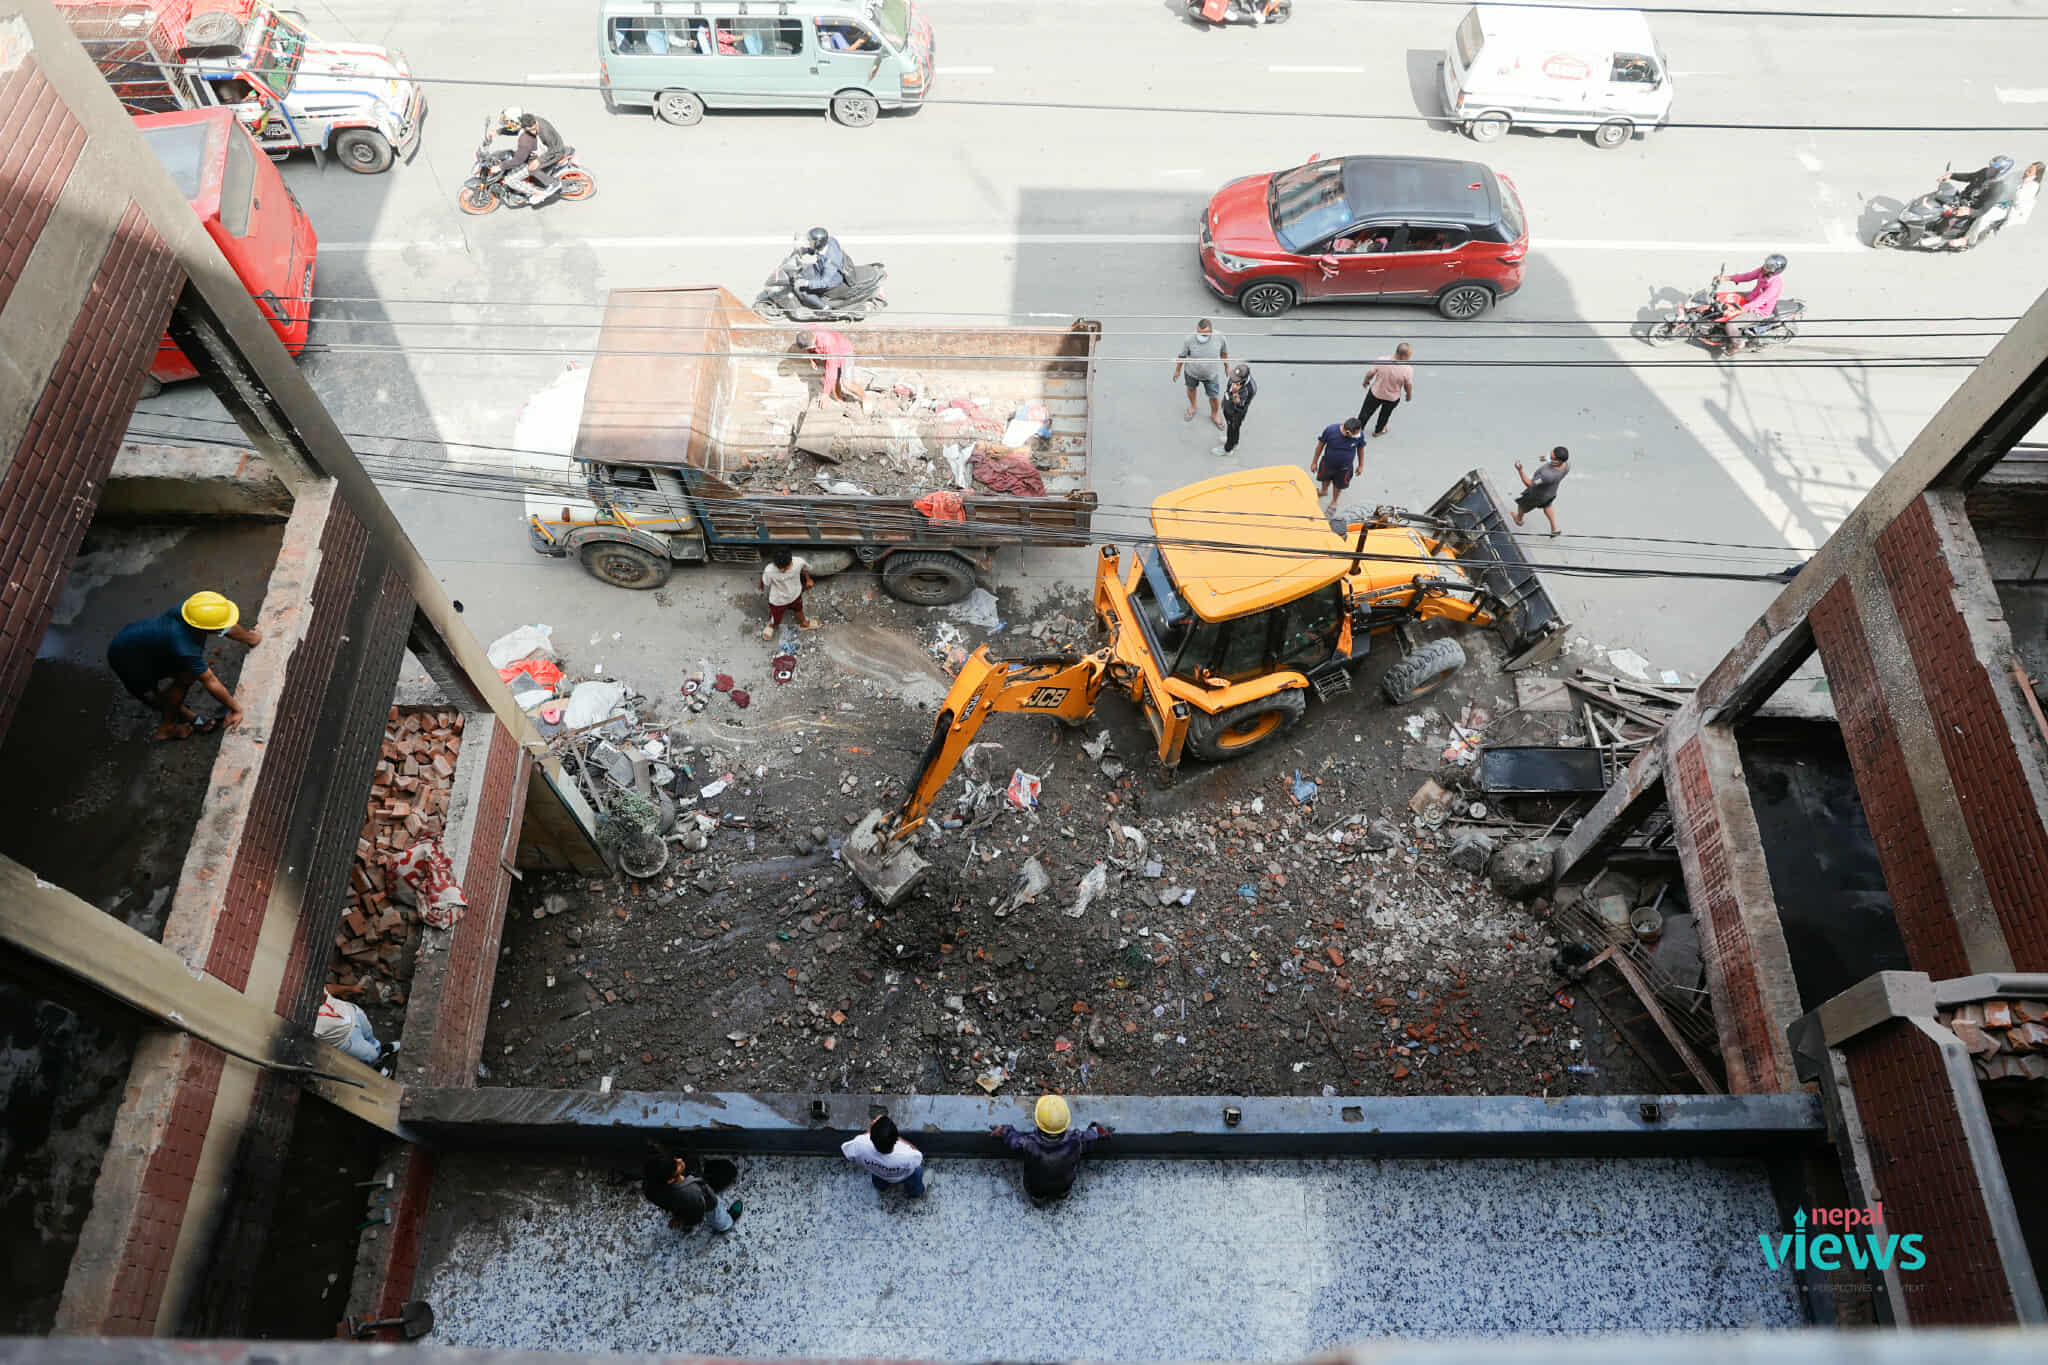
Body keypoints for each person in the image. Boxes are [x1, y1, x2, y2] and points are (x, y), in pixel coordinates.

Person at [107, 590, 262, 741]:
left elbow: (223, 625)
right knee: (165, 688)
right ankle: (166, 729)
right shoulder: (185, 647)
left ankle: (182, 712)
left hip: (137, 639)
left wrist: (251, 638)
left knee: (187, 674)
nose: (225, 627)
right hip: (128, 660)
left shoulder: (191, 611)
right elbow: (211, 681)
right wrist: (236, 709)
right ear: (205, 628)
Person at [990, 1095, 1111, 1206]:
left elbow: (1013, 1140)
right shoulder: (1076, 1141)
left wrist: (1004, 1130)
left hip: (1036, 1185)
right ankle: (1062, 1195)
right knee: (1063, 1190)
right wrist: (1099, 1131)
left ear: (1038, 1122)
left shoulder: (1028, 1144)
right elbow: (1091, 1138)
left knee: (1036, 1192)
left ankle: (1038, 1199)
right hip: (1064, 1183)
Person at [641, 1154, 741, 1233]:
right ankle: (725, 1224)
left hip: (678, 1206)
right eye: (677, 1166)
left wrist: (678, 1218)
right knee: (715, 1212)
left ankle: (685, 1224)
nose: (680, 1160)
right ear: (671, 1180)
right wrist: (685, 1219)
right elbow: (697, 1215)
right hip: (704, 1202)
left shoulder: (650, 1189)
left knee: (683, 1213)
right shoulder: (693, 1193)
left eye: (675, 1159)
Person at [841, 1111, 925, 1197]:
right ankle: (915, 1193)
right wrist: (898, 1138)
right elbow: (918, 1157)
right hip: (903, 1175)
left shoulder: (859, 1144)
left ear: (871, 1137)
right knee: (917, 1172)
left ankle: (881, 1187)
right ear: (895, 1139)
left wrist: (873, 1130)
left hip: (879, 1173)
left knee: (879, 1182)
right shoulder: (906, 1155)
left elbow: (847, 1151)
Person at [1713, 254, 1786, 351]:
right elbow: (1747, 276)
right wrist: (1727, 278)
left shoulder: (1775, 284)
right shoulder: (1762, 271)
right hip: (1752, 297)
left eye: (1769, 266)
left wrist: (1737, 311)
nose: (1765, 267)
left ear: (1776, 270)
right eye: (1766, 264)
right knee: (1728, 296)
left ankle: (1737, 344)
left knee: (1731, 324)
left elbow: (1760, 301)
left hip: (1759, 310)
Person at [314, 990, 398, 1073]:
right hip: (346, 1039)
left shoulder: (309, 985)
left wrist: (352, 988)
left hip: (353, 1013)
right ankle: (375, 1068)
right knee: (371, 1056)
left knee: (371, 1038)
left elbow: (329, 987)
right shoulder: (310, 1024)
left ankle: (380, 1051)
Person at [497, 108, 565, 205]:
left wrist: (539, 161)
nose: (533, 132)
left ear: (536, 123)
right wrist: (499, 132)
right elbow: (516, 129)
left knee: (532, 168)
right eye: (530, 130)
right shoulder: (531, 119)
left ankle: (552, 184)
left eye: (534, 129)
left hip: (556, 151)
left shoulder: (544, 132)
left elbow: (554, 149)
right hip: (547, 147)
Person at [1174, 319, 1230, 429]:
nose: (1201, 337)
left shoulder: (1220, 337)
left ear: (1211, 332)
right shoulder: (1189, 339)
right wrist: (1177, 370)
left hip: (1211, 374)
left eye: (1204, 335)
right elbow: (1182, 356)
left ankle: (1214, 415)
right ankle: (1193, 407)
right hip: (1191, 372)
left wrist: (1227, 367)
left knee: (1214, 396)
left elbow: (1224, 353)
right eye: (1199, 333)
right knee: (1191, 389)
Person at [1357, 343, 1414, 438]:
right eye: (1409, 355)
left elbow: (1371, 373)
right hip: (1392, 398)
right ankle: (1378, 431)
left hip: (1376, 393)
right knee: (1385, 415)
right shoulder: (1407, 369)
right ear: (1404, 356)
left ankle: (1357, 430)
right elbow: (1408, 385)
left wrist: (1366, 381)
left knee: (1366, 412)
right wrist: (1408, 395)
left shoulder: (1382, 360)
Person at [760, 547, 819, 641]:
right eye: (780, 568)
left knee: (799, 609)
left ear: (791, 560)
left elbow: (805, 569)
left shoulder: (799, 562)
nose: (783, 570)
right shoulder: (769, 570)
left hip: (795, 594)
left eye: (785, 567)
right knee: (775, 616)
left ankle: (804, 623)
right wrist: (761, 585)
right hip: (778, 600)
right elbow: (764, 580)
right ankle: (771, 625)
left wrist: (808, 579)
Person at [1511, 446, 1570, 537]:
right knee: (1547, 505)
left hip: (1536, 495)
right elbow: (1558, 464)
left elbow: (1530, 484)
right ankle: (1555, 529)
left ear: (1557, 460)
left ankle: (1518, 520)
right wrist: (1548, 459)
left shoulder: (1546, 475)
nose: (1550, 454)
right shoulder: (1566, 465)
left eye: (1551, 456)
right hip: (1551, 493)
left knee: (1522, 505)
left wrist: (1520, 470)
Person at [1311, 417, 1366, 512]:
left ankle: (1334, 501)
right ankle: (1323, 491)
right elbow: (1320, 445)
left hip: (1345, 468)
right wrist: (1314, 462)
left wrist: (1361, 465)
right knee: (1325, 479)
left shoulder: (1359, 435)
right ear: (1348, 432)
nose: (1358, 435)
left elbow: (1360, 448)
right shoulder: (1330, 431)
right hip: (1327, 463)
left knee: (1338, 485)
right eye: (1356, 434)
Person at [797, 328, 862, 405]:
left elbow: (831, 371)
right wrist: (812, 358)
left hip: (845, 352)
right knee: (834, 382)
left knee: (847, 383)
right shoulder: (807, 331)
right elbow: (808, 346)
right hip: (831, 351)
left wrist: (825, 393)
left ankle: (865, 398)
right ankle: (840, 400)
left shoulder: (828, 344)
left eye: (811, 347)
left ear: (813, 340)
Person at [1214, 364, 1257, 457]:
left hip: (1236, 413)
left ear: (1244, 379)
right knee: (1234, 429)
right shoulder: (1235, 378)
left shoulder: (1250, 389)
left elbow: (1240, 404)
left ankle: (1228, 449)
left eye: (1235, 379)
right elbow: (1228, 389)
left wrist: (1235, 393)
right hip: (1228, 406)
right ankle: (1234, 442)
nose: (1232, 379)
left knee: (1232, 428)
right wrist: (1224, 401)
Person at [2010, 162, 2044, 230]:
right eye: (2027, 168)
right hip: (2009, 205)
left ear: (2036, 174)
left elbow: (2019, 197)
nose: (2026, 171)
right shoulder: (2023, 178)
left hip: (2016, 213)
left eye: (2030, 170)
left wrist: (2023, 184)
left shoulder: (2034, 185)